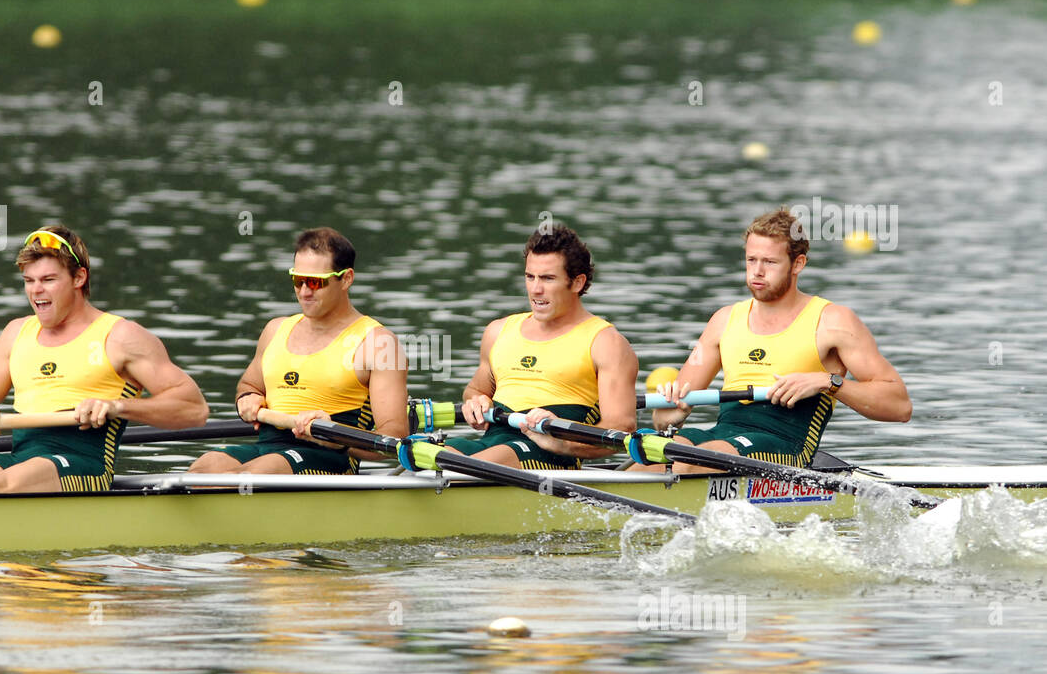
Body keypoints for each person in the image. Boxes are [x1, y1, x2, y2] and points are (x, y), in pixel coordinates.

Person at [0, 226, 208, 494]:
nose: (36, 291)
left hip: (84, 463)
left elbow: (194, 410)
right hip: (22, 456)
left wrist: (117, 406)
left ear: (79, 278)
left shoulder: (120, 337)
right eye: (29, 281)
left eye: (48, 280)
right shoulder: (15, 334)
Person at [636, 206, 912, 473]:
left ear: (798, 264)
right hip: (723, 434)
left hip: (785, 444)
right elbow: (667, 416)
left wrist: (828, 382)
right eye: (751, 260)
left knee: (695, 460)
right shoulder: (723, 320)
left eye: (769, 262)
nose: (757, 271)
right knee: (659, 455)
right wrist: (669, 417)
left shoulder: (834, 322)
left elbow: (899, 407)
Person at [188, 227, 407, 475]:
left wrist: (333, 435)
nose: (304, 292)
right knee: (203, 468)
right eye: (297, 280)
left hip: (330, 457)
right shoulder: (275, 329)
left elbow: (393, 440)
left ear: (346, 278)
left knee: (248, 477)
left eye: (315, 282)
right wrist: (246, 398)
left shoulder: (378, 343)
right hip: (268, 447)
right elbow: (249, 384)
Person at [452, 225, 638, 469]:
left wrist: (564, 444)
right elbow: (475, 390)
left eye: (548, 278)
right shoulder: (498, 331)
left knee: (463, 467)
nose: (535, 289)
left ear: (577, 283)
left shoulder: (606, 343)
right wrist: (476, 402)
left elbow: (620, 430)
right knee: (428, 457)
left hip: (551, 455)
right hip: (492, 443)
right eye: (530, 277)